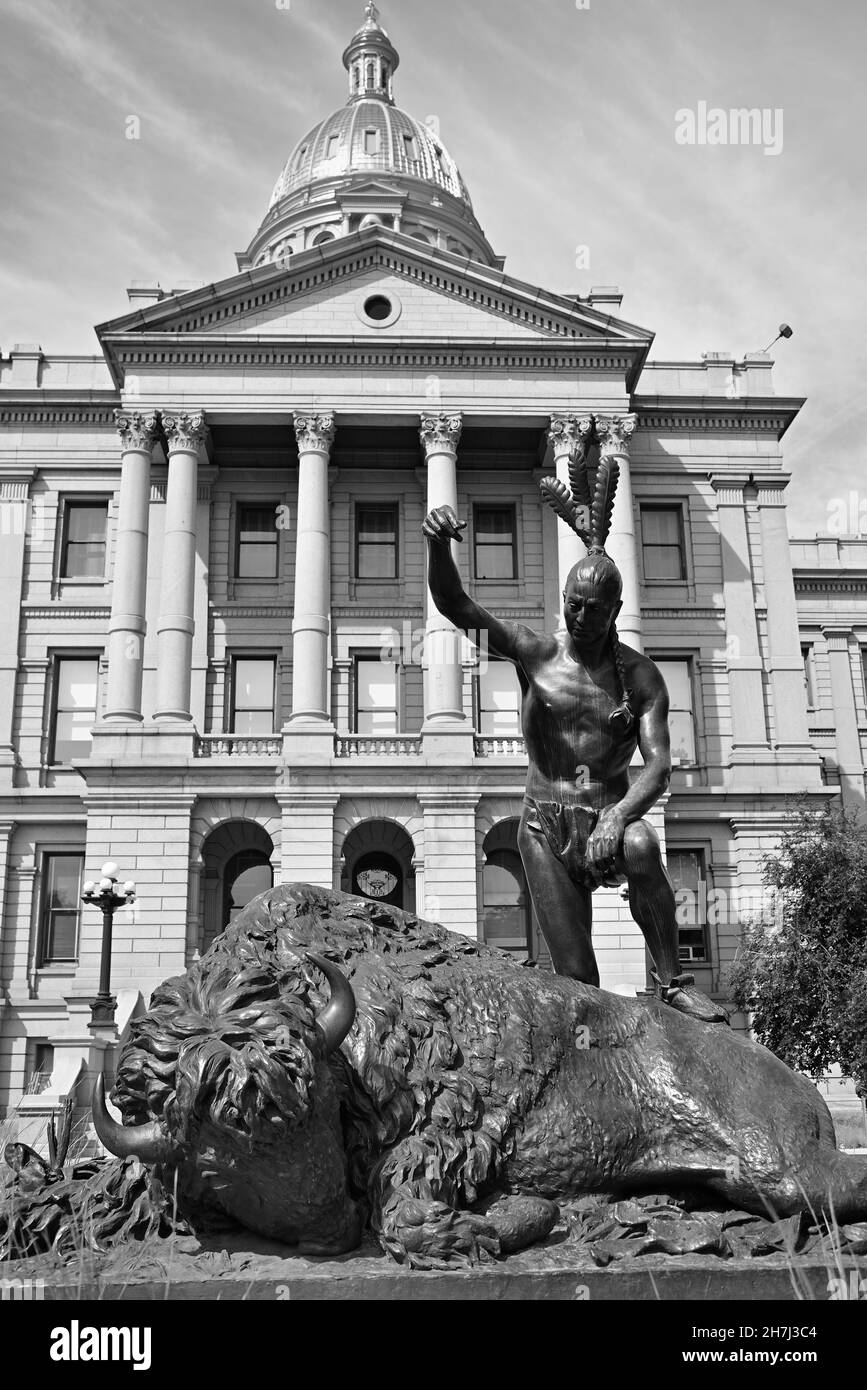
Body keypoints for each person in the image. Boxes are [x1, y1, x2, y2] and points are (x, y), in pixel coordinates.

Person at [423, 444, 728, 1024]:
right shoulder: (535, 654)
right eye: (572, 604)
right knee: (580, 982)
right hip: (545, 823)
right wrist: (438, 545)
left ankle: (671, 983)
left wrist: (617, 816)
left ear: (615, 610)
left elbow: (660, 764)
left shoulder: (640, 676)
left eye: (593, 608)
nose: (580, 616)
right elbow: (457, 606)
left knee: (642, 844)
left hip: (606, 818)